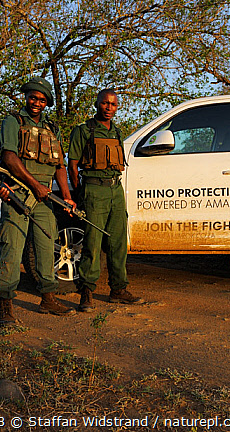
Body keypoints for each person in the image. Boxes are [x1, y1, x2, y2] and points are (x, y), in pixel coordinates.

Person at [0, 77, 76, 326]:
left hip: (45, 198)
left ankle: (48, 298)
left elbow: (59, 165)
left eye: (41, 100)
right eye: (33, 97)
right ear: (26, 97)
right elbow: (9, 158)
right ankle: (5, 304)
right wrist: (35, 185)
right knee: (12, 247)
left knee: (46, 245)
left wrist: (66, 196)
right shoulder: (14, 121)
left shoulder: (52, 127)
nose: (36, 103)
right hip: (19, 194)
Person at [67, 89, 143, 312]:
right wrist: (79, 193)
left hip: (115, 190)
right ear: (97, 104)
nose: (109, 107)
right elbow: (72, 165)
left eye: (113, 104)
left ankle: (118, 289)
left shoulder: (117, 132)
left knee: (118, 242)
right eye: (105, 103)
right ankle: (87, 292)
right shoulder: (83, 131)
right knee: (92, 243)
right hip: (93, 189)